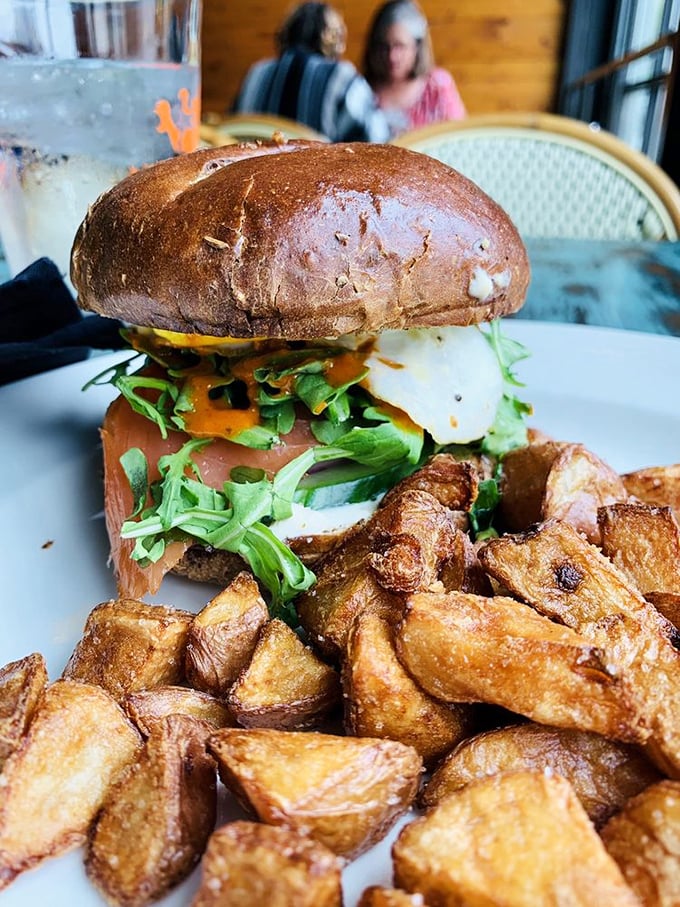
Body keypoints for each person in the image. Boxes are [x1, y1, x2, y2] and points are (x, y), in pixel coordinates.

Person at [233, 2, 390, 143]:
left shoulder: (256, 72)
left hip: (253, 172)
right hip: (318, 173)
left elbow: (232, 131)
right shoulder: (341, 76)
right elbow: (378, 139)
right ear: (334, 38)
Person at [362, 0, 466, 136]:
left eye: (400, 46)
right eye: (384, 47)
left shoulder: (437, 85)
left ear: (417, 47)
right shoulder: (362, 89)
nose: (392, 56)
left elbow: (459, 136)